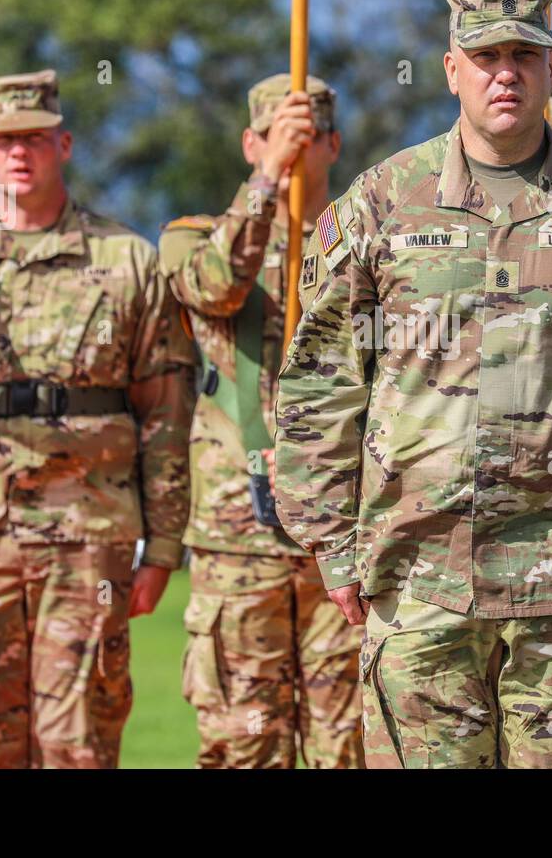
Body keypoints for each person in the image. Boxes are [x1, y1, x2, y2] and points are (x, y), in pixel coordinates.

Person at [273, 0, 552, 769]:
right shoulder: (381, 204)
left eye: (524, 55)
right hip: (418, 584)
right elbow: (319, 381)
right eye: (485, 55)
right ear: (452, 69)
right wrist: (333, 545)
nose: (504, 73)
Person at [0, 69, 195, 768]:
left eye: (37, 139)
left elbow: (166, 418)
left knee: (80, 745)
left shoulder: (129, 264)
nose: (21, 153)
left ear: (66, 144)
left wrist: (163, 548)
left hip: (88, 543)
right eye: (3, 140)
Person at [158, 74, 363, 768]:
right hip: (236, 536)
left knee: (350, 744)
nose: (296, 146)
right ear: (251, 143)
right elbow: (217, 287)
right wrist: (269, 181)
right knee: (245, 743)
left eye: (308, 135)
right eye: (276, 136)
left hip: (343, 532)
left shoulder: (367, 247)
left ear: (333, 144)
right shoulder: (190, 240)